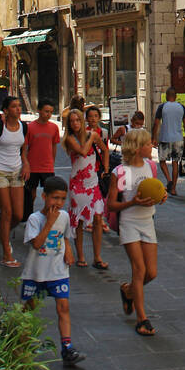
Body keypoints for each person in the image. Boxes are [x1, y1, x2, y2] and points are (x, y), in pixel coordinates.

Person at [106, 128, 166, 337]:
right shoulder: (122, 172)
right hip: (129, 222)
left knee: (152, 273)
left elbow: (156, 190)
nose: (152, 146)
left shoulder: (150, 166)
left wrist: (162, 196)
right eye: (148, 144)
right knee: (139, 270)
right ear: (138, 148)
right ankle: (142, 318)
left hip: (147, 221)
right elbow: (112, 204)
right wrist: (132, 202)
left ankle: (128, 290)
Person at [21, 174, 84, 367]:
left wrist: (69, 251)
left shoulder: (64, 217)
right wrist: (49, 222)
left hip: (57, 271)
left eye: (62, 199)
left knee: (63, 307)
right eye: (54, 198)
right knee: (27, 309)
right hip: (36, 272)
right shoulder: (34, 219)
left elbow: (65, 235)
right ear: (44, 197)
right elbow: (37, 244)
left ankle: (67, 346)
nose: (58, 203)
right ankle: (22, 345)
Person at [0, 95, 30, 268]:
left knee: (18, 214)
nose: (18, 109)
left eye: (19, 106)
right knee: (8, 211)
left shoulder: (23, 127)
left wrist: (26, 163)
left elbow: (23, 149)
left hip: (17, 171)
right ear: (6, 110)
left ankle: (2, 231)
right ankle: (6, 253)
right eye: (14, 106)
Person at [63, 108, 108, 270]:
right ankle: (81, 256)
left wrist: (106, 169)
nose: (75, 123)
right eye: (72, 121)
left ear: (82, 122)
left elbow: (105, 149)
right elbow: (82, 151)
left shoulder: (92, 135)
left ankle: (97, 256)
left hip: (92, 181)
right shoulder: (70, 138)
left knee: (97, 218)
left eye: (77, 120)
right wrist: (93, 137)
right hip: (78, 184)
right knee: (79, 220)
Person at [24, 100, 61, 217]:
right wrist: (25, 164)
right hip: (32, 167)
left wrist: (52, 162)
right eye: (46, 111)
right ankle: (28, 217)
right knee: (31, 194)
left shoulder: (54, 127)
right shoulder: (30, 127)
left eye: (50, 112)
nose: (48, 114)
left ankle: (48, 215)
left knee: (50, 193)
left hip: (47, 167)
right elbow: (25, 147)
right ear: (39, 111)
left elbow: (54, 146)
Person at [152, 89, 185, 196]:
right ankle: (173, 188)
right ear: (176, 96)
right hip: (178, 138)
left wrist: (154, 137)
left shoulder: (162, 107)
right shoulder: (182, 107)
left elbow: (156, 123)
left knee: (162, 161)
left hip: (165, 138)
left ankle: (169, 180)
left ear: (166, 96)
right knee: (175, 163)